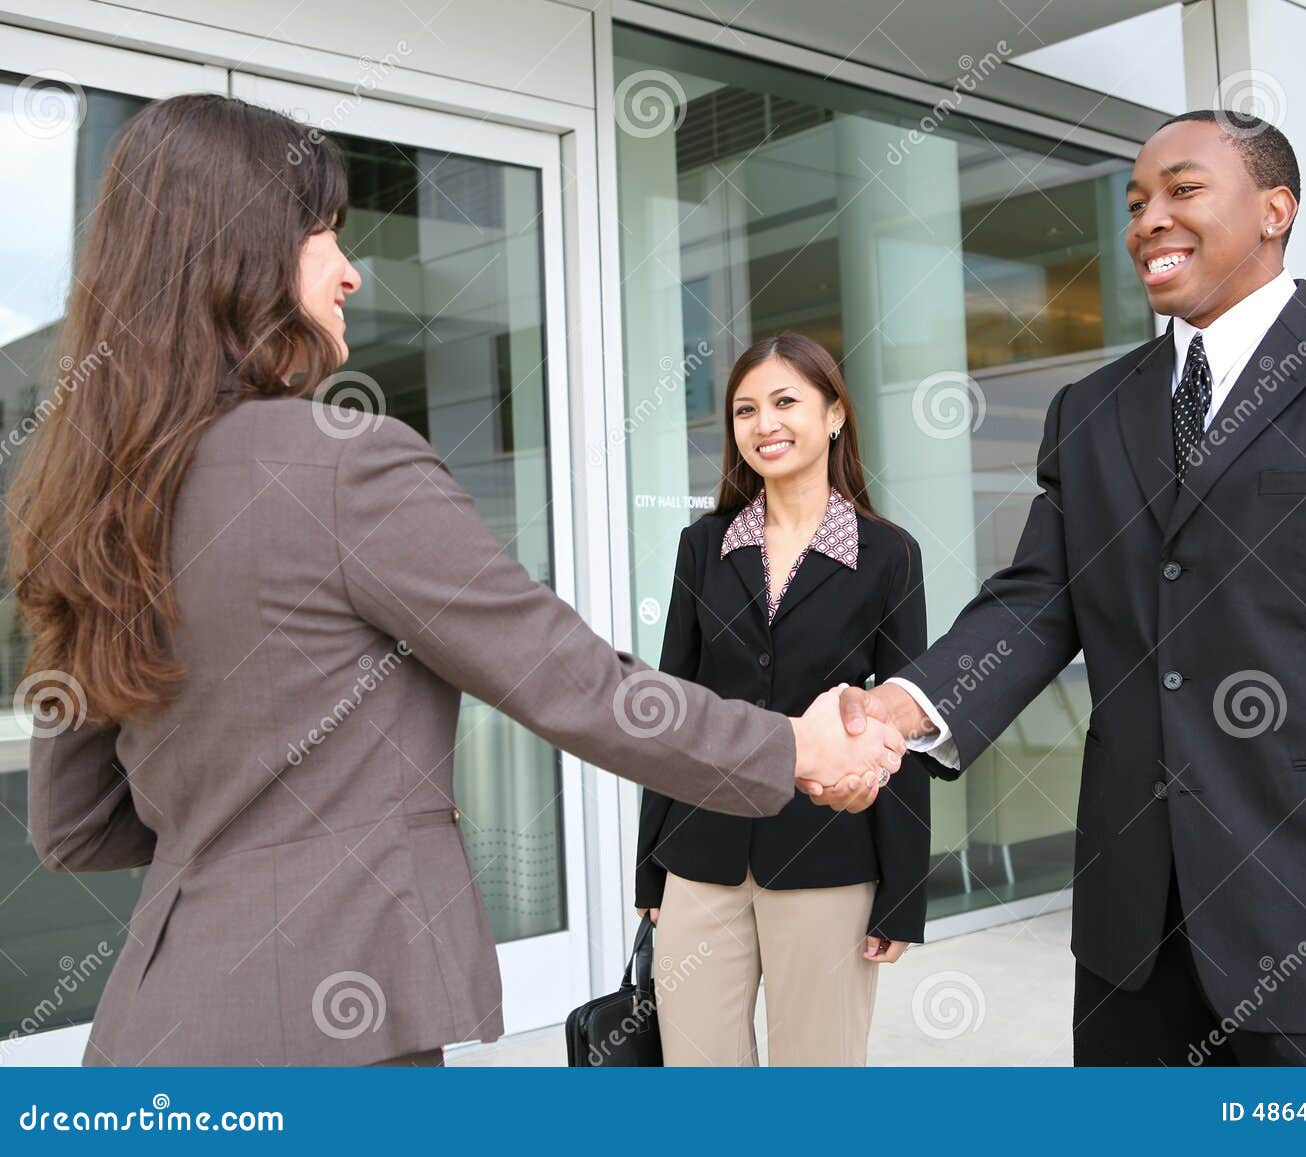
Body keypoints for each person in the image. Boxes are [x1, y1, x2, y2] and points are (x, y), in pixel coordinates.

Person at [10, 93, 904, 1068]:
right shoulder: (344, 465)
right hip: (336, 1024)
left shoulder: (97, 496)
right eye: (323, 230)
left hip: (150, 1029)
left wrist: (230, 837)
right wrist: (793, 745)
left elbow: (74, 824)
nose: (349, 268)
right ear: (245, 251)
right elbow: (569, 679)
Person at [841, 110, 1306, 1067]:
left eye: (1182, 190)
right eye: (1134, 203)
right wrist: (903, 707)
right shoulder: (1090, 410)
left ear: (1276, 210)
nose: (1148, 220)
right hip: (1132, 947)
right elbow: (1037, 600)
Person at [633, 333, 934, 1066]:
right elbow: (674, 707)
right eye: (745, 410)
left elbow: (905, 724)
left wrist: (904, 892)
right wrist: (650, 865)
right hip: (701, 854)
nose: (763, 423)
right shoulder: (703, 547)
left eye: (784, 402)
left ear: (834, 415)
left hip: (828, 858)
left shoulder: (889, 554)